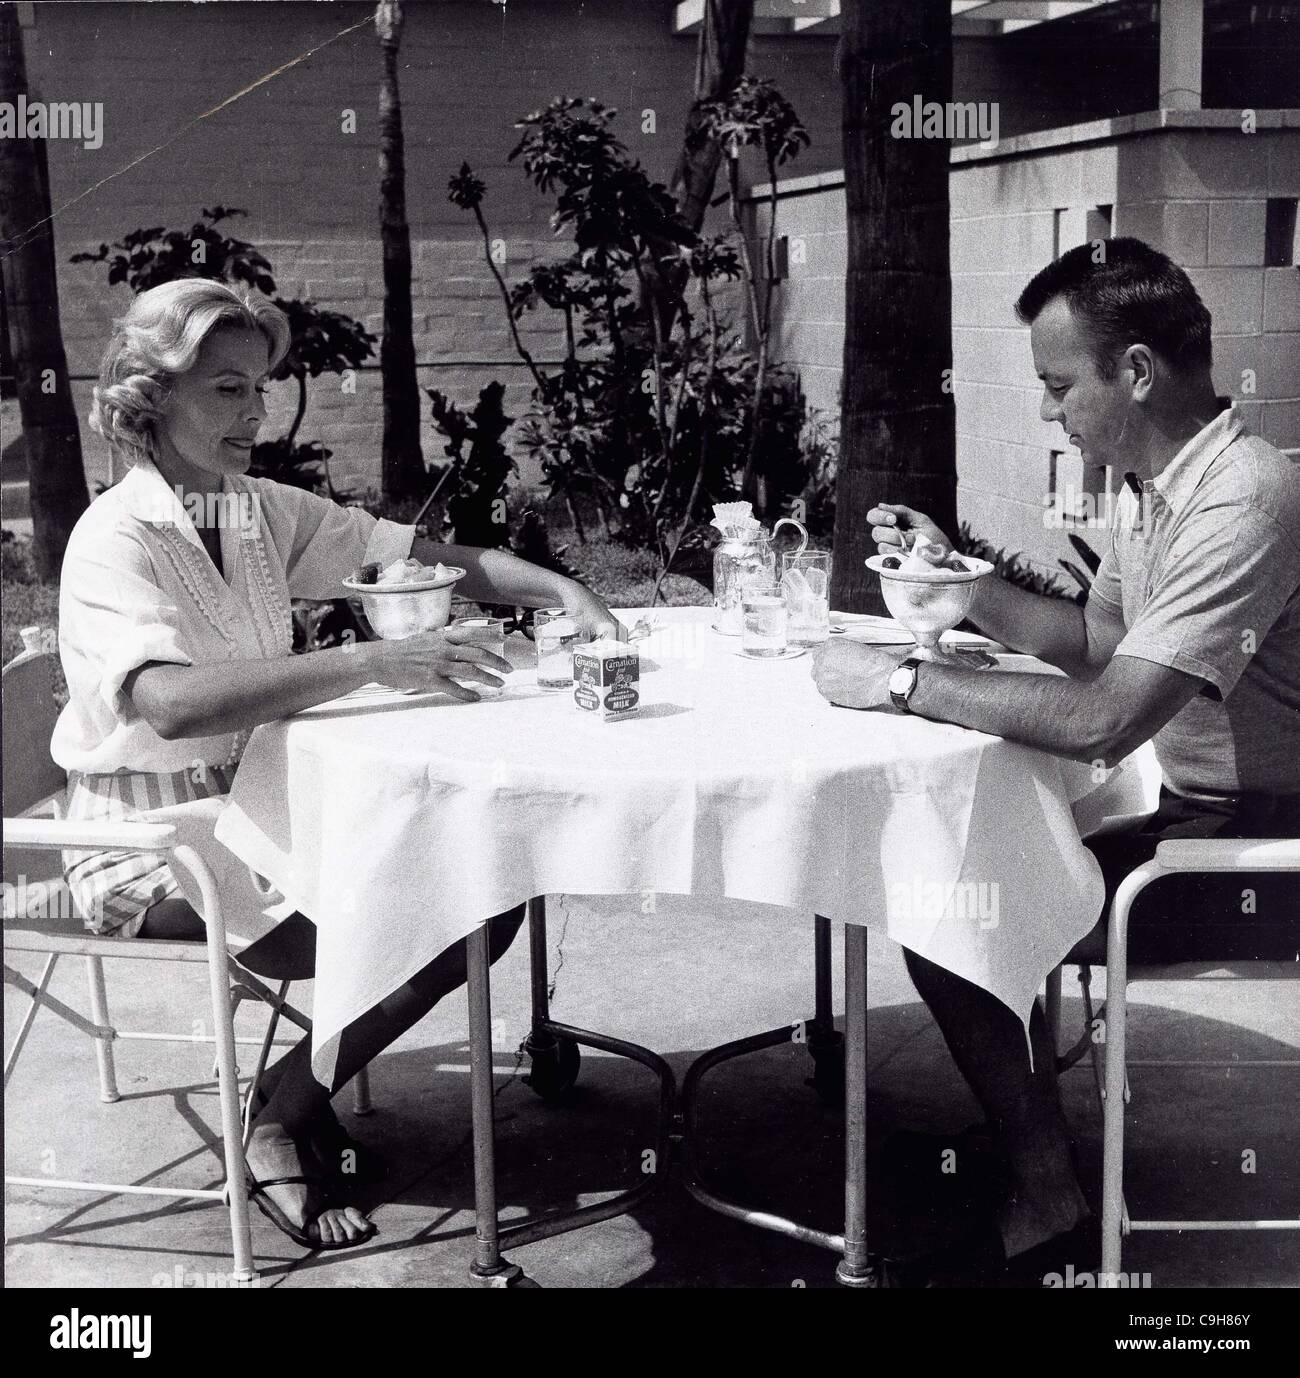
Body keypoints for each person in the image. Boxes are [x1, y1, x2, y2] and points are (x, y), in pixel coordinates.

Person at [53, 276, 624, 1250]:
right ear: (152, 397)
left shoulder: (254, 510)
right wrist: (369, 659)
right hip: (153, 846)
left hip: (267, 808)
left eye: (259, 386)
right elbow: (168, 702)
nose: (255, 409)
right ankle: (280, 1114)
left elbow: (426, 556)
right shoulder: (116, 536)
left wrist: (566, 592)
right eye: (226, 388)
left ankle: (288, 1095)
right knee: (454, 905)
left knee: (482, 885)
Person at [810, 238, 1300, 1285]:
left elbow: (1103, 720)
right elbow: (1090, 643)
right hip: (1199, 816)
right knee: (976, 863)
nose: (1047, 412)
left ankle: (1047, 1202)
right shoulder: (1160, 483)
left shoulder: (1242, 499)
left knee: (954, 909)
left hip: (1259, 851)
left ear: (1133, 372)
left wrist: (897, 682)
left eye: (1056, 384)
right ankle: (1024, 1147)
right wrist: (957, 579)